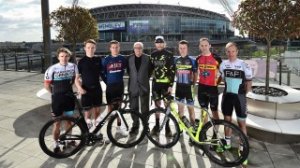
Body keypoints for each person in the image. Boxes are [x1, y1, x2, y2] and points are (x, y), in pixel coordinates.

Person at [219, 42, 252, 167]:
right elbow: (222, 79)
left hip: (240, 98)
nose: (230, 53)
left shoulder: (244, 64)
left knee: (241, 123)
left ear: (237, 51)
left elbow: (249, 82)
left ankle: (242, 148)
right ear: (226, 52)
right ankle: (227, 143)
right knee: (226, 120)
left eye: (233, 51)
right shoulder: (223, 64)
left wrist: (246, 96)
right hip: (227, 96)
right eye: (228, 51)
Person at [44, 47, 79, 153]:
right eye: (62, 56)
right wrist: (54, 94)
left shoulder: (73, 67)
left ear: (69, 57)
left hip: (69, 98)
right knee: (57, 123)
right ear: (58, 57)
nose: (64, 58)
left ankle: (69, 139)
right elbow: (46, 85)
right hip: (57, 100)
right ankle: (56, 143)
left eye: (66, 56)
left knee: (69, 121)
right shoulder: (52, 69)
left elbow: (74, 80)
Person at [150, 36, 175, 137]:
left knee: (167, 106)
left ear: (164, 44)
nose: (159, 44)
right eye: (157, 42)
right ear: (155, 44)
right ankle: (156, 126)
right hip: (156, 84)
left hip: (166, 85)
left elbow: (173, 70)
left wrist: (171, 85)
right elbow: (150, 69)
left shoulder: (169, 55)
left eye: (161, 42)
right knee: (157, 105)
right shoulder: (152, 55)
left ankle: (167, 127)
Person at [76, 39, 104, 131]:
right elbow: (76, 78)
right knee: (87, 113)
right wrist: (79, 88)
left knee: (97, 111)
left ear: (95, 48)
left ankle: (97, 131)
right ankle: (87, 132)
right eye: (88, 47)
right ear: (85, 48)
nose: (90, 49)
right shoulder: (81, 61)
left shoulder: (98, 60)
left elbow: (103, 74)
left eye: (92, 47)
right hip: (86, 90)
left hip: (97, 89)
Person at [102, 40, 128, 136]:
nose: (115, 49)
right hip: (110, 87)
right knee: (110, 109)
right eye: (113, 47)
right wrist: (107, 82)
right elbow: (102, 73)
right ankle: (109, 131)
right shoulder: (106, 59)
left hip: (120, 86)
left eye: (117, 47)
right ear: (110, 48)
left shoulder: (123, 59)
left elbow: (126, 69)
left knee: (119, 108)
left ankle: (119, 128)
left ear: (119, 48)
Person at [127, 42, 151, 135]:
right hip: (133, 86)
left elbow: (150, 71)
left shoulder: (148, 58)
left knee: (145, 107)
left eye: (140, 48)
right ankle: (135, 125)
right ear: (133, 49)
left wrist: (143, 78)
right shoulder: (129, 58)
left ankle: (146, 125)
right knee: (133, 107)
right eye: (136, 48)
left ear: (142, 49)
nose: (138, 49)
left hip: (144, 86)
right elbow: (129, 72)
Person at [196, 37, 222, 121]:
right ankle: (204, 132)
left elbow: (222, 73)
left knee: (214, 111)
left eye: (206, 45)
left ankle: (216, 133)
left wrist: (217, 82)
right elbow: (195, 72)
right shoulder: (198, 58)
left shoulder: (217, 58)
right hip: (201, 87)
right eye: (202, 45)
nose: (204, 47)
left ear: (209, 46)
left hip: (213, 88)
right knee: (203, 111)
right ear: (199, 46)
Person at [174, 40, 197, 127]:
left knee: (191, 109)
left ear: (187, 49)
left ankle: (193, 127)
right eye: (181, 48)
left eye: (184, 48)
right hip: (179, 87)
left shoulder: (192, 60)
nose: (182, 50)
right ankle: (180, 128)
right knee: (180, 110)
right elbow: (176, 73)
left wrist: (192, 84)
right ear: (178, 49)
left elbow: (195, 74)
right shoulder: (176, 60)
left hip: (189, 88)